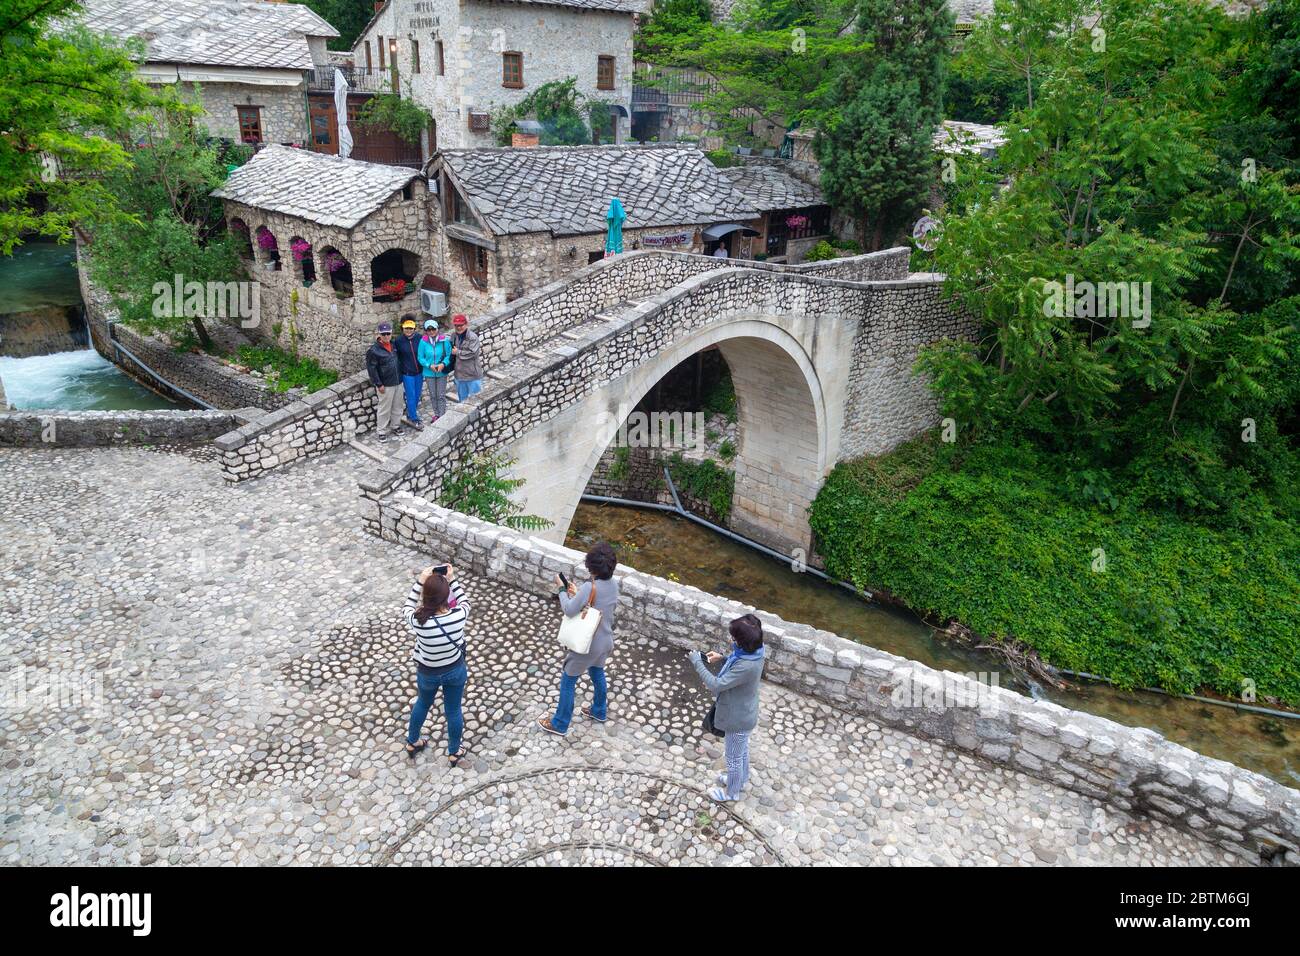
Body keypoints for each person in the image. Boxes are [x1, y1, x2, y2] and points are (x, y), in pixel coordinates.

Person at [538, 542, 619, 737]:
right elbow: (596, 605)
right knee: (597, 673)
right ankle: (599, 710)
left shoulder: (588, 586)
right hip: (605, 642)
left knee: (568, 681)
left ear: (591, 566)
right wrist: (578, 595)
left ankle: (560, 723)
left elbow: (568, 609)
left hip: (587, 645)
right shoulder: (614, 585)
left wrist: (562, 590)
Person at [687, 614, 764, 803]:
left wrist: (697, 661)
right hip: (745, 712)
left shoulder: (747, 665)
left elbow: (716, 684)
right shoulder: (756, 651)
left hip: (737, 719)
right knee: (742, 751)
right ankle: (741, 781)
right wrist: (723, 658)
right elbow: (736, 663)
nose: (732, 640)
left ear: (742, 641)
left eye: (734, 638)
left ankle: (732, 793)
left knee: (733, 758)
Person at [403, 563, 471, 765]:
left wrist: (420, 581)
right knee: (453, 710)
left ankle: (413, 741)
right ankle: (453, 751)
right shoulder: (459, 615)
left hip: (427, 672)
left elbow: (407, 606)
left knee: (422, 704)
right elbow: (465, 601)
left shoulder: (418, 621)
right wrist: (451, 579)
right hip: (454, 669)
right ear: (446, 596)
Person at [365, 322, 403, 442]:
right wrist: (378, 384)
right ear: (379, 334)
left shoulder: (394, 345)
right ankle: (381, 431)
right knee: (384, 408)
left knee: (398, 406)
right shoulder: (374, 350)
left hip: (398, 381)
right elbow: (372, 369)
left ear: (391, 333)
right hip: (385, 384)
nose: (386, 336)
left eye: (388, 333)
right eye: (384, 334)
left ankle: (395, 426)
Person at [417, 317, 453, 422]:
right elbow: (420, 357)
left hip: (441, 372)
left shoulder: (444, 340)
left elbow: (448, 355)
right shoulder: (423, 342)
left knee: (440, 395)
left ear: (437, 329)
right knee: (433, 395)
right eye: (429, 330)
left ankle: (442, 415)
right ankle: (437, 414)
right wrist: (429, 365)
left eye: (433, 329)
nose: (431, 332)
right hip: (429, 372)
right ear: (426, 331)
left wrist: (443, 364)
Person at [395, 315, 424, 429]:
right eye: (406, 328)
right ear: (402, 328)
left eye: (411, 328)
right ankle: (414, 418)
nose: (408, 330)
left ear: (414, 328)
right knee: (410, 396)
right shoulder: (398, 341)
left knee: (417, 395)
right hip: (407, 373)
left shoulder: (420, 338)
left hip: (419, 372)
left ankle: (410, 412)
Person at [451, 313, 483, 401]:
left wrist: (457, 352)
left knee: (477, 400)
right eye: (456, 325)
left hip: (472, 375)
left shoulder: (473, 337)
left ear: (466, 324)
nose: (458, 327)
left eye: (461, 325)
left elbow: (472, 353)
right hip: (459, 375)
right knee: (462, 400)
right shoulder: (453, 336)